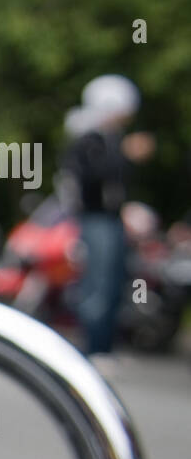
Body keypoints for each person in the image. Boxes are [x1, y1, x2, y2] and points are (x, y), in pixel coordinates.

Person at [60, 74, 147, 356]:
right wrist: (125, 155)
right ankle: (93, 348)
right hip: (96, 220)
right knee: (97, 286)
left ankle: (105, 347)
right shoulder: (89, 140)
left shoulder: (109, 140)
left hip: (110, 220)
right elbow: (94, 177)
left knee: (112, 284)